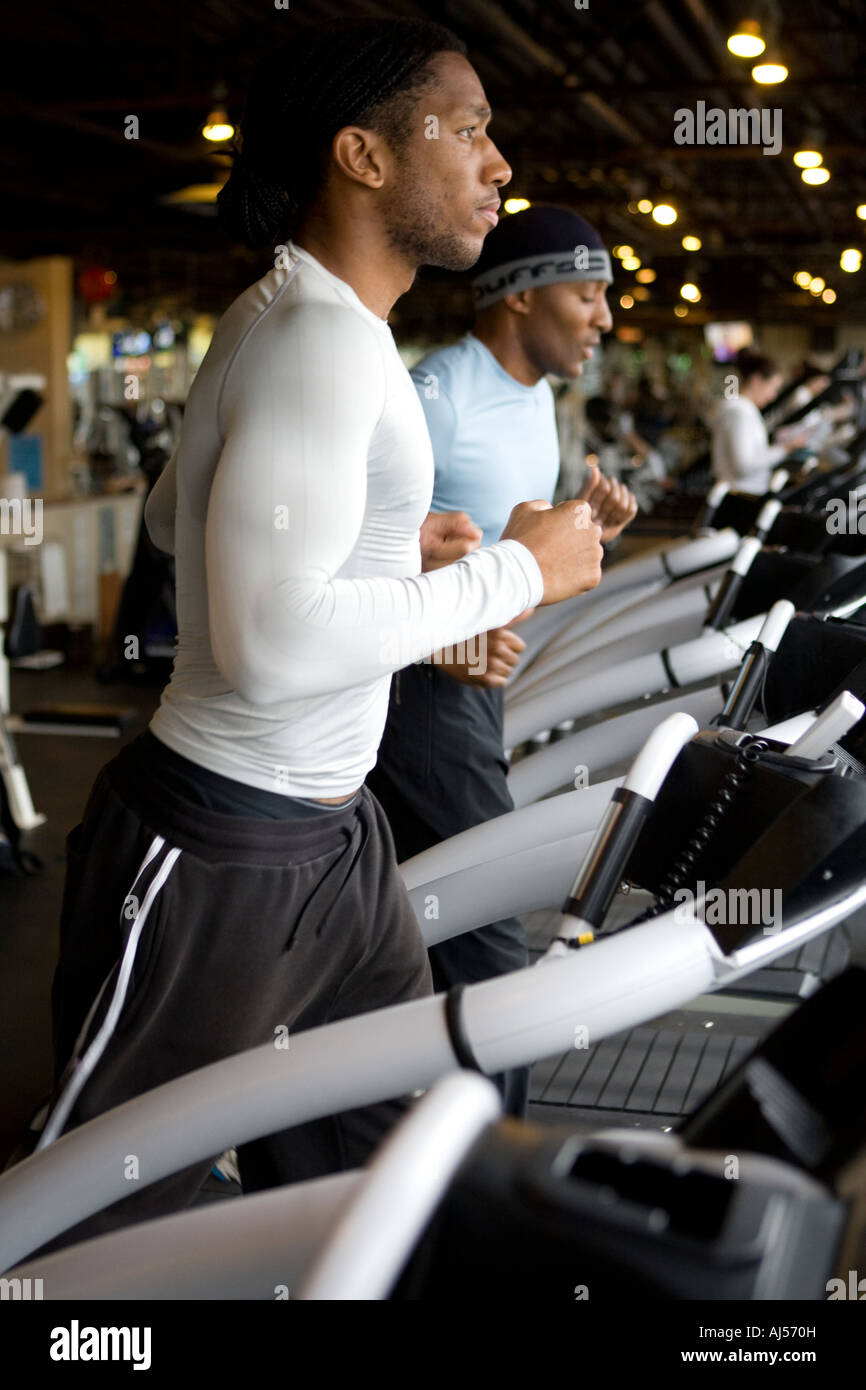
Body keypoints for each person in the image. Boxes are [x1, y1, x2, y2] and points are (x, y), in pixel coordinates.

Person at [28, 20, 606, 1253]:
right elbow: (269, 647)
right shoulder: (319, 342)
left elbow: (174, 520)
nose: (499, 164)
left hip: (336, 847)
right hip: (223, 849)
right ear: (363, 155)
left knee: (378, 1172)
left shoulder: (291, 317)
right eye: (466, 129)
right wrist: (514, 571)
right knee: (80, 1213)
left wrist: (399, 556)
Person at [367, 204, 637, 1118]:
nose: (604, 317)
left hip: (473, 687)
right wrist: (438, 627)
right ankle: (487, 1165)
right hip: (419, 692)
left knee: (419, 921)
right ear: (521, 297)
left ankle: (394, 1128)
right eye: (589, 293)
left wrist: (581, 532)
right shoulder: (438, 392)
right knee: (486, 942)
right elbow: (343, 539)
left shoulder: (537, 397)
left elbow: (501, 543)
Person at [710, 351, 808, 494]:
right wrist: (785, 448)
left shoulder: (745, 410)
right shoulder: (739, 413)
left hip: (746, 492)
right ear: (756, 381)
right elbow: (744, 466)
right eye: (772, 388)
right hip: (740, 497)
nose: (773, 396)